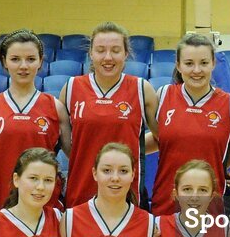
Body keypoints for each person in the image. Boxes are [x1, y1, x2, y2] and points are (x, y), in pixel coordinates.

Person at [59, 22, 158, 208]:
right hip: (81, 189)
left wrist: (133, 150)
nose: (108, 57)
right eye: (100, 50)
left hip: (127, 192)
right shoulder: (71, 88)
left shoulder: (141, 89)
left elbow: (163, 137)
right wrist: (85, 156)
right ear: (91, 53)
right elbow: (65, 142)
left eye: (115, 50)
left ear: (126, 53)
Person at [0, 29, 70, 216]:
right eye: (15, 59)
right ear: (4, 61)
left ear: (40, 62)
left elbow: (75, 156)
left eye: (30, 59)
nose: (23, 66)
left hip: (44, 207)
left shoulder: (56, 107)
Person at [147, 34, 230, 216]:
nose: (197, 70)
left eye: (203, 63)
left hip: (211, 209)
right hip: (166, 203)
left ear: (213, 64)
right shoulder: (163, 95)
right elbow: (158, 139)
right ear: (178, 65)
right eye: (189, 63)